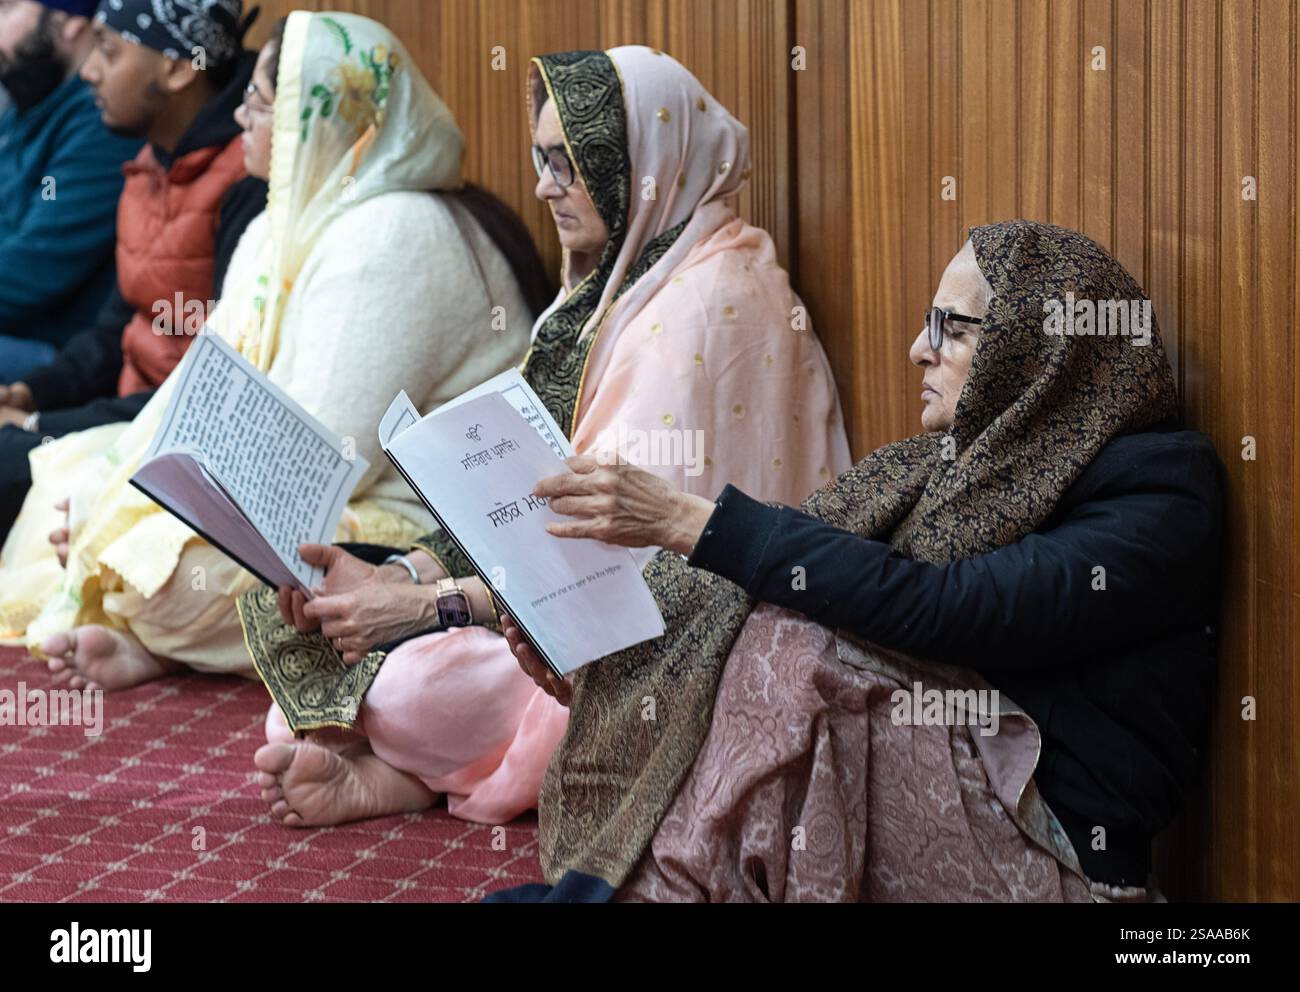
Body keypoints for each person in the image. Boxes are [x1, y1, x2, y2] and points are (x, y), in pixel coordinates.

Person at [498, 221, 1224, 902]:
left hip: (1058, 860)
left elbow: (953, 609)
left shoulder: (1158, 495)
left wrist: (689, 521)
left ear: (1037, 353)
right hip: (950, 796)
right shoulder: (951, 469)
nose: (918, 347)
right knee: (777, 626)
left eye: (952, 327)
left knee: (799, 653)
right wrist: (606, 655)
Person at [241, 45, 852, 830]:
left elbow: (619, 554)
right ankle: (410, 765)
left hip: (669, 629)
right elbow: (517, 491)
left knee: (405, 688)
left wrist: (430, 608)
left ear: (641, 164)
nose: (542, 187)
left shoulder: (707, 305)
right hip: (542, 596)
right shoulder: (616, 280)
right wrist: (397, 572)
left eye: (569, 163)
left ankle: (410, 767)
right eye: (542, 159)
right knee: (326, 638)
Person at [0, 11, 545, 691]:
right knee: (66, 481)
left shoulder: (396, 231)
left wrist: (139, 520)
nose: (240, 122)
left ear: (323, 116)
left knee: (170, 578)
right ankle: (159, 639)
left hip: (417, 521)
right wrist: (108, 496)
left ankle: (159, 638)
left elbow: (322, 453)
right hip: (305, 490)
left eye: (261, 105)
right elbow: (197, 390)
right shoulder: (275, 226)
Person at [0, 0, 265, 537]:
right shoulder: (147, 161)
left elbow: (213, 391)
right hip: (122, 411)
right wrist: (31, 392)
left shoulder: (245, 183)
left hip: (181, 440)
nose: (91, 71)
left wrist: (38, 424)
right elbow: (117, 326)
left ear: (175, 67)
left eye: (109, 51)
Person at [0, 0, 142, 379]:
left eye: (5, 9)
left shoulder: (102, 122)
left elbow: (30, 273)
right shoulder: (32, 98)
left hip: (56, 357)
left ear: (68, 22)